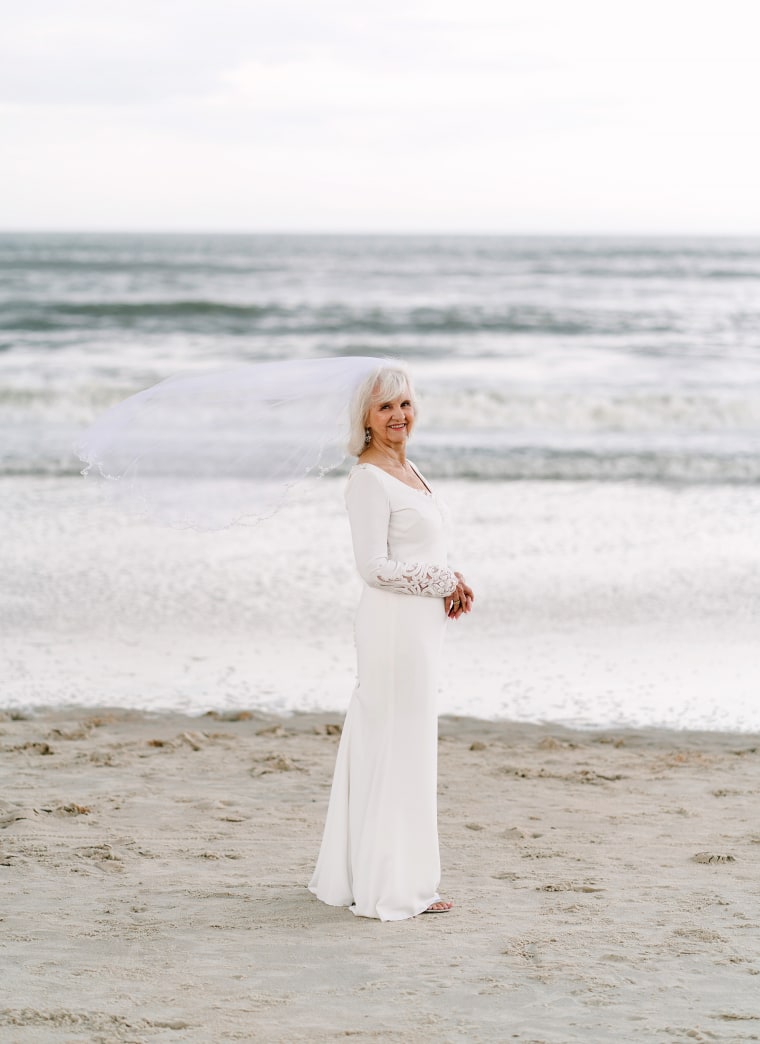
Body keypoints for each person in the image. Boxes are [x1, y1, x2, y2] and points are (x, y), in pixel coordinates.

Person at [308, 364, 474, 921]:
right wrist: (442, 580)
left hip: (419, 625)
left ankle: (387, 875)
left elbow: (420, 549)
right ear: (365, 418)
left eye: (404, 404)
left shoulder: (408, 468)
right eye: (385, 407)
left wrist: (449, 578)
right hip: (393, 627)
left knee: (406, 743)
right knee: (394, 743)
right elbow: (373, 567)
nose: (399, 415)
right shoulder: (368, 479)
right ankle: (392, 887)